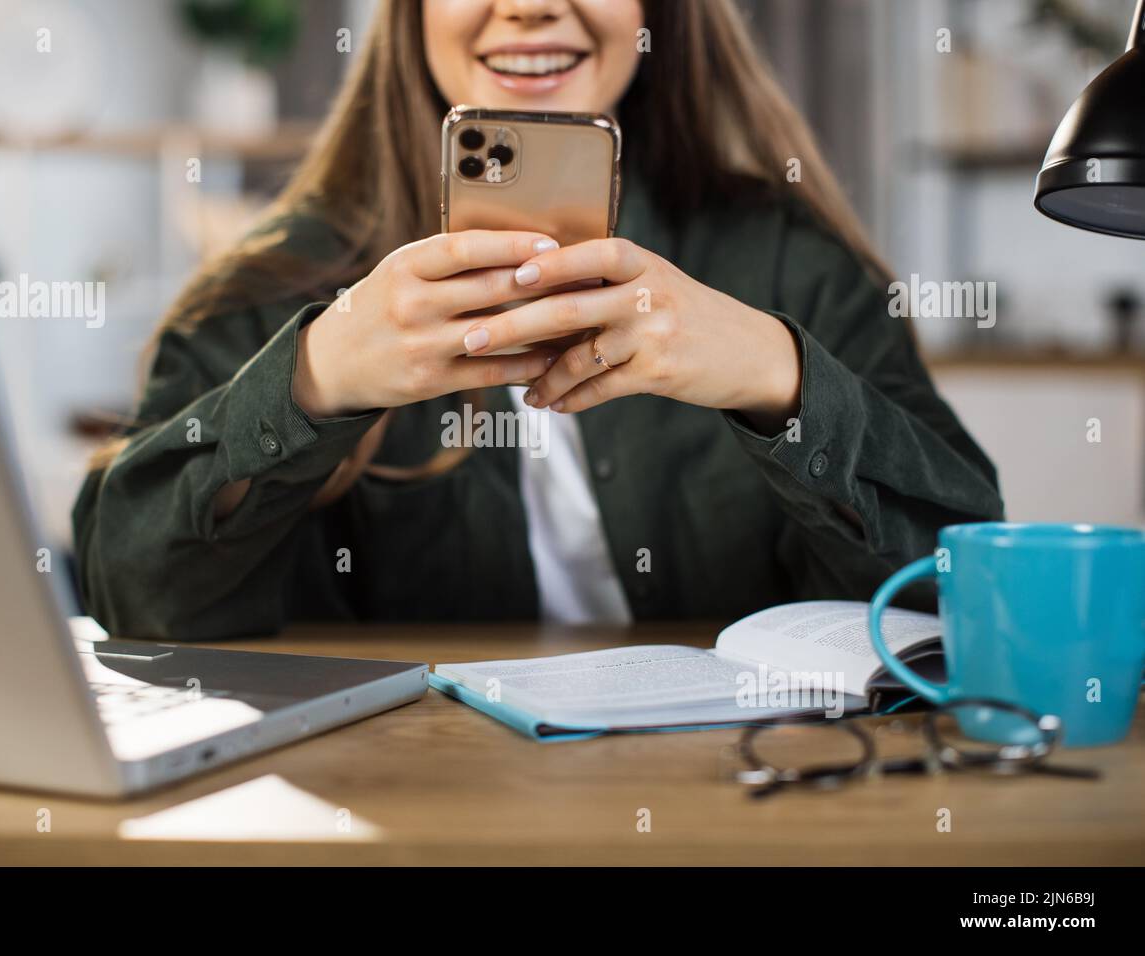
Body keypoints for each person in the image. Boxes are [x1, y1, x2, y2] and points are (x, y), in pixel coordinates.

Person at [73, 0, 1003, 639]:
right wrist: (313, 380)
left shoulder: (786, 262)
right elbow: (131, 593)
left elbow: (957, 595)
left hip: (727, 805)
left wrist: (778, 375)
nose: (529, 6)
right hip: (410, 814)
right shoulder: (282, 280)